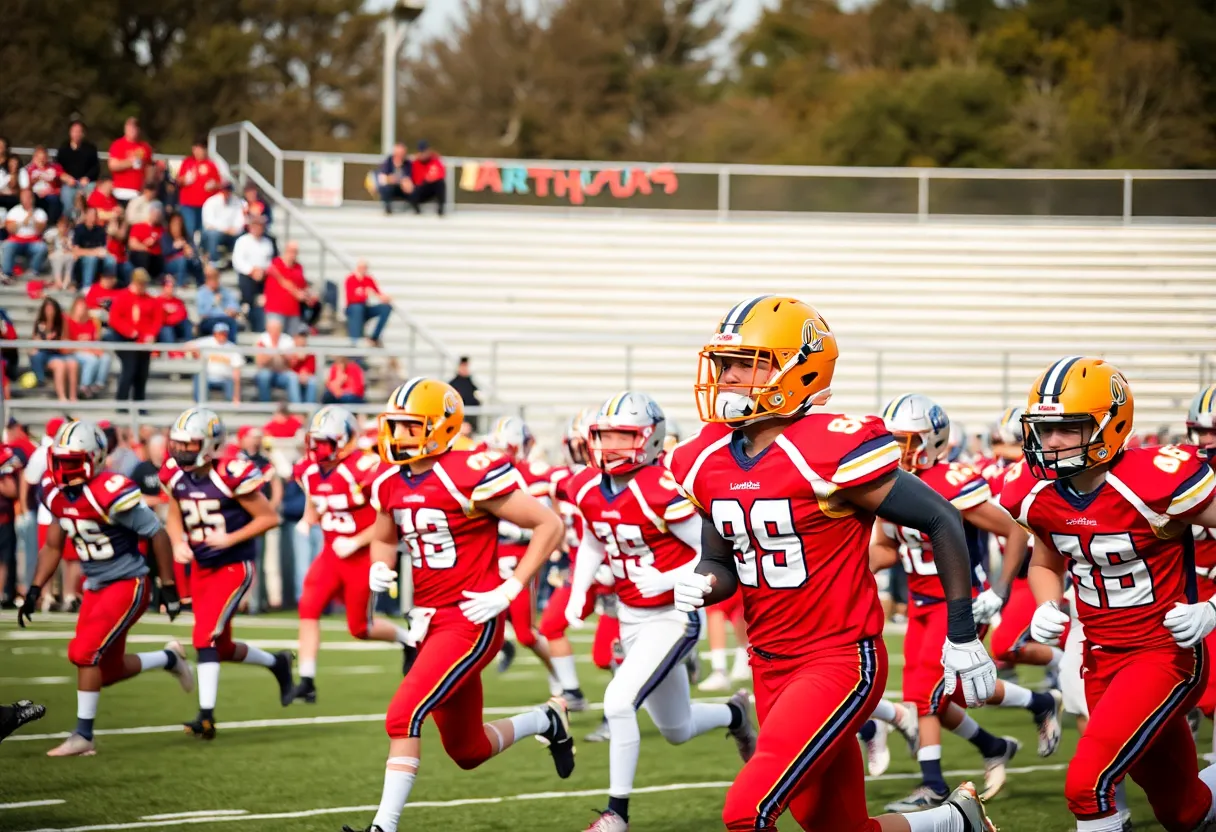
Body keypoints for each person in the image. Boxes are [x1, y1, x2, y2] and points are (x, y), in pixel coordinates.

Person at [668, 295, 998, 832]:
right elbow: (719, 561)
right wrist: (702, 581)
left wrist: (962, 634)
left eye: (747, 364)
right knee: (837, 827)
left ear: (799, 369)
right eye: (725, 364)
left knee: (746, 813)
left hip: (839, 659)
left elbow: (942, 518)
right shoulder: (705, 458)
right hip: (770, 663)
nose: (728, 377)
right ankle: (951, 822)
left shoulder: (827, 446)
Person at [340, 378, 571, 832]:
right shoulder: (388, 479)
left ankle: (382, 828)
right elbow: (385, 536)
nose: (398, 437)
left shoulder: (468, 470)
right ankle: (547, 718)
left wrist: (510, 588)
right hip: (427, 619)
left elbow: (548, 524)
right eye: (396, 426)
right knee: (468, 751)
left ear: (441, 427)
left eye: (411, 427)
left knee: (402, 715)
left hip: (471, 616)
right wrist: (379, 566)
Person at [1007, 358, 1216, 832]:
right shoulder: (1036, 492)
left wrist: (1213, 607)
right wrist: (1046, 603)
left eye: (1069, 428)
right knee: (1184, 812)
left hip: (1164, 654)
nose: (1052, 442)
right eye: (1044, 430)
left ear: (1110, 425)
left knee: (1087, 784)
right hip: (1100, 657)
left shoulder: (1155, 480)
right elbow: (1045, 562)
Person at [566, 392, 756, 832]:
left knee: (617, 702)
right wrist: (579, 592)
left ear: (649, 439)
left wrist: (668, 580)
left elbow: (712, 552)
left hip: (672, 615)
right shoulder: (586, 487)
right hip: (631, 615)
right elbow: (595, 538)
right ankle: (735, 714)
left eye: (622, 435)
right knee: (677, 728)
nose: (610, 445)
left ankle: (617, 814)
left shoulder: (660, 488)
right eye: (604, 435)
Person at [871, 394, 1060, 811]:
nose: (899, 450)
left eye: (908, 440)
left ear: (933, 440)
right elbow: (887, 549)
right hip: (921, 601)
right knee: (948, 693)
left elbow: (1014, 532)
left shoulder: (953, 480)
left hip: (959, 601)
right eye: (893, 440)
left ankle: (934, 786)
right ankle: (1014, 725)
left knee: (925, 694)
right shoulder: (885, 481)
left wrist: (1000, 589)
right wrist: (845, 568)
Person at [18, 420, 192, 757]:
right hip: (96, 585)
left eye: (72, 462)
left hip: (128, 582)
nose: (62, 470)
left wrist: (167, 586)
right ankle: (169, 659)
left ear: (94, 459)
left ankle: (83, 736)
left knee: (83, 653)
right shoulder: (55, 492)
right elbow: (53, 546)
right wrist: (35, 590)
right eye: (59, 461)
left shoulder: (109, 490)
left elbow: (156, 532)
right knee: (106, 671)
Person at [162, 407, 294, 739]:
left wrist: (229, 539)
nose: (181, 451)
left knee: (204, 636)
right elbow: (174, 512)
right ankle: (277, 663)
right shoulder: (175, 475)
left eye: (190, 445)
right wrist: (177, 541)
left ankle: (206, 717)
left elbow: (268, 518)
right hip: (202, 566)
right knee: (219, 646)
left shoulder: (230, 473)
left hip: (234, 565)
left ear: (209, 445)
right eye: (178, 444)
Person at [285, 407, 415, 704]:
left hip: (363, 556)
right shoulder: (307, 469)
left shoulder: (364, 468)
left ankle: (407, 641)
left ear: (345, 440)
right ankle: (306, 679)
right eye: (315, 441)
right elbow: (316, 498)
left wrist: (357, 541)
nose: (317, 449)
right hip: (333, 553)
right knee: (308, 606)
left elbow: (388, 519)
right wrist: (309, 518)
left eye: (325, 442)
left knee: (360, 628)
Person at [483, 417, 559, 687]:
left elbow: (549, 519)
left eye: (506, 448)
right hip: (487, 555)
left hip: (519, 556)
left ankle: (562, 680)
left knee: (526, 633)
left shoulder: (534, 473)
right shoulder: (482, 471)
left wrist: (519, 531)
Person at [105, 269, 161, 407]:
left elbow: (157, 318)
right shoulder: (123, 297)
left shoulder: (150, 300)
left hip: (144, 342)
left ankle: (139, 404)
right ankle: (122, 403)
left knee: (142, 374)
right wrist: (130, 331)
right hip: (126, 341)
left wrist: (151, 334)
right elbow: (114, 319)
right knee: (129, 370)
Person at [175, 138, 222, 245]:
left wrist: (214, 185)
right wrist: (185, 179)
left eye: (201, 148)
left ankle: (201, 254)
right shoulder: (187, 162)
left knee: (203, 232)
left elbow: (220, 184)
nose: (198, 151)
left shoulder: (211, 164)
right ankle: (190, 253)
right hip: (188, 203)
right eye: (196, 148)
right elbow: (178, 181)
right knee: (190, 229)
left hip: (205, 205)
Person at [30, 297, 77, 402]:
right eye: (47, 309)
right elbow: (35, 342)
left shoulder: (61, 322)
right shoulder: (39, 323)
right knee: (60, 365)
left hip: (58, 352)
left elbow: (64, 340)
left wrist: (54, 341)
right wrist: (47, 340)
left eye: (52, 309)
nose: (50, 312)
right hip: (45, 354)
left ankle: (73, 396)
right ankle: (62, 397)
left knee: (72, 363)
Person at [232, 215, 274, 333]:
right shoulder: (242, 241)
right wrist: (252, 270)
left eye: (260, 225)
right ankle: (246, 309)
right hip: (247, 276)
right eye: (255, 225)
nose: (258, 228)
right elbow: (238, 261)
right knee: (248, 290)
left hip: (263, 276)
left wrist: (262, 271)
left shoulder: (268, 242)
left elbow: (269, 261)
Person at [66, 297, 110, 398]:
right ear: (74, 308)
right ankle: (84, 386)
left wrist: (97, 350)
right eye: (79, 307)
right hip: (74, 351)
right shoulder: (68, 321)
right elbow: (67, 343)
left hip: (90, 349)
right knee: (92, 360)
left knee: (105, 357)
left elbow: (95, 341)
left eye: (84, 307)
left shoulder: (91, 322)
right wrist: (87, 349)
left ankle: (98, 385)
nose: (82, 309)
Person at [265, 241, 313, 335]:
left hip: (293, 310)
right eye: (291, 251)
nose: (293, 254)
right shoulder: (276, 263)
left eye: (295, 251)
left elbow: (303, 285)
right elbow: (283, 281)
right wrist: (297, 293)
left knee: (291, 342)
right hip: (276, 309)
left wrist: (308, 296)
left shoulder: (298, 267)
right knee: (275, 340)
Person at [188, 322, 243, 404]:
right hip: (208, 376)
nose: (222, 335)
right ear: (215, 333)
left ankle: (231, 405)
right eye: (219, 333)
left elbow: (237, 372)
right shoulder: (207, 342)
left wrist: (237, 397)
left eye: (224, 333)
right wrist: (197, 353)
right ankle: (198, 404)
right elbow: (188, 345)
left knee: (232, 381)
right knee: (199, 376)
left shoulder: (232, 348)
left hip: (226, 378)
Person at [57, 120, 101, 221]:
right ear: (70, 133)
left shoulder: (90, 148)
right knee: (67, 200)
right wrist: (66, 178)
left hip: (86, 183)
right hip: (69, 183)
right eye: (74, 131)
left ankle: (89, 221)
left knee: (93, 199)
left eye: (79, 131)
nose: (76, 134)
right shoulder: (63, 148)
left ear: (83, 133)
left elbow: (96, 167)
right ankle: (70, 222)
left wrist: (87, 177)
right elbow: (57, 167)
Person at [2, 189, 48, 282]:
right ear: (21, 199)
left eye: (30, 197)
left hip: (33, 241)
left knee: (42, 247)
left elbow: (40, 230)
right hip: (17, 240)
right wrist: (23, 222)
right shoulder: (14, 211)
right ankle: (7, 273)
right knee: (7, 245)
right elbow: (10, 229)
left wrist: (33, 218)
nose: (28, 200)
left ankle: (33, 271)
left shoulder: (40, 212)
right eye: (25, 197)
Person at [253, 317, 301, 403]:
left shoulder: (287, 340)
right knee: (264, 375)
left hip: (282, 372)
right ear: (268, 329)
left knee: (292, 377)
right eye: (272, 329)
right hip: (266, 371)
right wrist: (275, 352)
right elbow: (259, 362)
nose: (275, 332)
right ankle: (265, 406)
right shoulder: (262, 339)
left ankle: (296, 408)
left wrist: (277, 353)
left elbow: (292, 363)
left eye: (277, 329)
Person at [345, 259, 392, 346]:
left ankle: (374, 337)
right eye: (361, 267)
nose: (363, 269)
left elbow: (378, 294)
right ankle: (356, 341)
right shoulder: (350, 279)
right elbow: (351, 299)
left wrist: (386, 298)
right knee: (357, 308)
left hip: (364, 309)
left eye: (365, 268)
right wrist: (364, 294)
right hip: (353, 309)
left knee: (386, 307)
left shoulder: (368, 280)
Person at [107, 117, 153, 204]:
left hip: (139, 193)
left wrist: (148, 185)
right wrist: (130, 163)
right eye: (130, 127)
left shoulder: (145, 147)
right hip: (120, 192)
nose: (132, 130)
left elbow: (149, 167)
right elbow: (112, 165)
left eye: (135, 127)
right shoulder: (117, 145)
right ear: (125, 129)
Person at [200, 182, 243, 266]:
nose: (227, 193)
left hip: (231, 232)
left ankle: (235, 260)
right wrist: (225, 229)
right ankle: (214, 261)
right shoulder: (211, 202)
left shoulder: (237, 202)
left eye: (228, 191)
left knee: (242, 234)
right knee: (213, 234)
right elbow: (208, 223)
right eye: (225, 190)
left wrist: (235, 229)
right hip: (214, 232)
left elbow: (240, 220)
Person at [71, 206, 112, 290]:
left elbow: (103, 249)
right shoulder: (79, 229)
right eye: (90, 215)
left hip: (98, 255)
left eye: (94, 215)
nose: (92, 217)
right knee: (91, 259)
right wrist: (93, 252)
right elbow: (76, 251)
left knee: (111, 260)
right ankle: (87, 287)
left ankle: (109, 286)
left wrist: (99, 252)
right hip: (83, 258)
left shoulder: (100, 230)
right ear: (86, 215)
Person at [196, 265, 242, 339]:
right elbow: (202, 314)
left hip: (226, 318)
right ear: (207, 280)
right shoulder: (202, 293)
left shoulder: (225, 291)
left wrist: (232, 311)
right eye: (212, 279)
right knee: (218, 326)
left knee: (231, 323)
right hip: (210, 319)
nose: (215, 282)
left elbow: (235, 307)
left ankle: (231, 347)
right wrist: (213, 303)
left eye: (216, 279)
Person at [24, 146, 65, 225]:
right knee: (31, 198)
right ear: (34, 158)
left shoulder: (55, 168)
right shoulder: (29, 169)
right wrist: (34, 181)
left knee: (54, 199)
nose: (41, 160)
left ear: (47, 157)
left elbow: (62, 182)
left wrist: (53, 190)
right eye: (39, 158)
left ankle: (50, 225)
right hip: (35, 194)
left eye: (44, 157)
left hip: (51, 195)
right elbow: (25, 187)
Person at [126, 202, 166, 279]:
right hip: (141, 256)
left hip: (156, 258)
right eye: (155, 213)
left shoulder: (162, 229)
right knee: (144, 255)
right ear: (150, 212)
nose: (156, 216)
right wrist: (145, 246)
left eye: (159, 214)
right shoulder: (138, 226)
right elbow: (132, 244)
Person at [164, 213, 203, 286]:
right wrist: (174, 247)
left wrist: (190, 252)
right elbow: (164, 252)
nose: (177, 226)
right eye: (175, 223)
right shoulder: (166, 236)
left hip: (185, 262)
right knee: (182, 260)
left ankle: (201, 285)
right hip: (169, 264)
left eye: (179, 223)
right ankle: (180, 284)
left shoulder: (187, 237)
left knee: (197, 262)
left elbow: (194, 252)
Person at [407, 141, 446, 215]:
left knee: (440, 183)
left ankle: (441, 208)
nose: (423, 154)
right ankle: (416, 209)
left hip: (430, 187)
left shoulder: (435, 161)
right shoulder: (414, 163)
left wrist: (429, 179)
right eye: (421, 152)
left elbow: (440, 174)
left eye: (425, 151)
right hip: (418, 189)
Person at [377, 143, 414, 215]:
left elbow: (409, 178)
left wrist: (404, 182)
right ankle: (388, 209)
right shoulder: (388, 162)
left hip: (403, 188)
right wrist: (390, 179)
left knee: (412, 188)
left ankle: (415, 209)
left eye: (402, 153)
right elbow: (382, 178)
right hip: (391, 188)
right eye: (398, 153)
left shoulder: (407, 163)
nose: (400, 156)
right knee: (386, 188)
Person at [157, 275, 193, 344]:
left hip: (176, 326)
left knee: (187, 323)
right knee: (166, 329)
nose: (172, 288)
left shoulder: (178, 301)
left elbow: (183, 315)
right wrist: (170, 315)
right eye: (169, 286)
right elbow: (159, 318)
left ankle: (190, 346)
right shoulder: (158, 301)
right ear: (163, 287)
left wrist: (168, 315)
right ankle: (171, 351)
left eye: (173, 286)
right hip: (164, 328)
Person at [448, 357, 480, 431]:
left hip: (470, 422)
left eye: (466, 366)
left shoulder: (472, 384)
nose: (465, 368)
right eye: (463, 366)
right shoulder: (452, 384)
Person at [289, 331, 318, 403]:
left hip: (306, 377)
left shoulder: (310, 353)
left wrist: (305, 373)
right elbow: (288, 368)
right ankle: (297, 409)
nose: (301, 341)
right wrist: (297, 359)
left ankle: (309, 409)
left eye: (303, 338)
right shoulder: (289, 352)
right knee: (293, 378)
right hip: (294, 376)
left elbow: (311, 369)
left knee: (313, 381)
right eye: (299, 338)